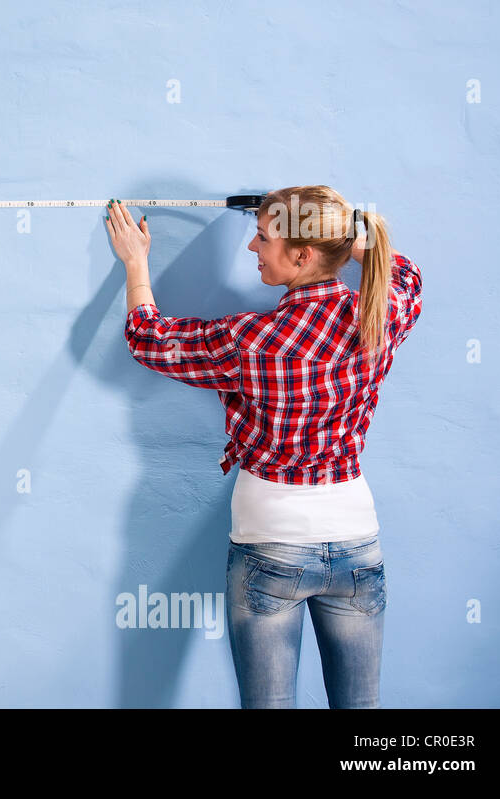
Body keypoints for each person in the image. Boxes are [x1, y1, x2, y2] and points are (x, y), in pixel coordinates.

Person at [105, 186, 422, 708]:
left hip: (270, 543)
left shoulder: (253, 340)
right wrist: (343, 234)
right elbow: (406, 275)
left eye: (261, 237)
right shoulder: (380, 315)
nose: (253, 248)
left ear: (302, 255)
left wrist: (136, 264)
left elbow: (149, 338)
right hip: (359, 544)